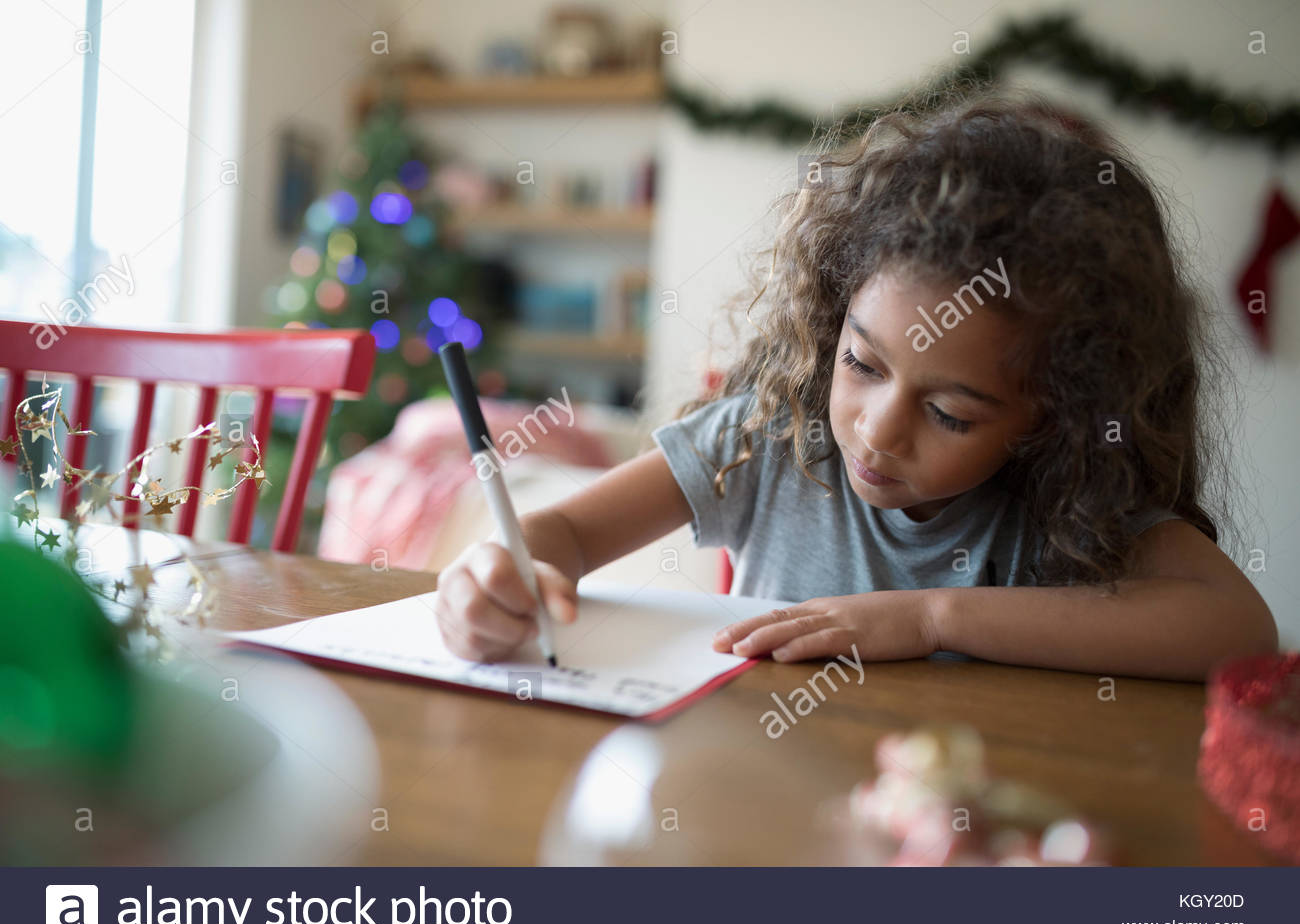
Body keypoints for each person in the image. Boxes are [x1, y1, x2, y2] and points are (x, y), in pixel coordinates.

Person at [433, 85, 1277, 681]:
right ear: (834, 318)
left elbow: (1237, 628)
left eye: (948, 413)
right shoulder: (765, 438)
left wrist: (930, 619)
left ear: (1053, 418)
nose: (876, 431)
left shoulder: (1065, 509)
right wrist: (497, 576)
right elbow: (566, 538)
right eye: (862, 364)